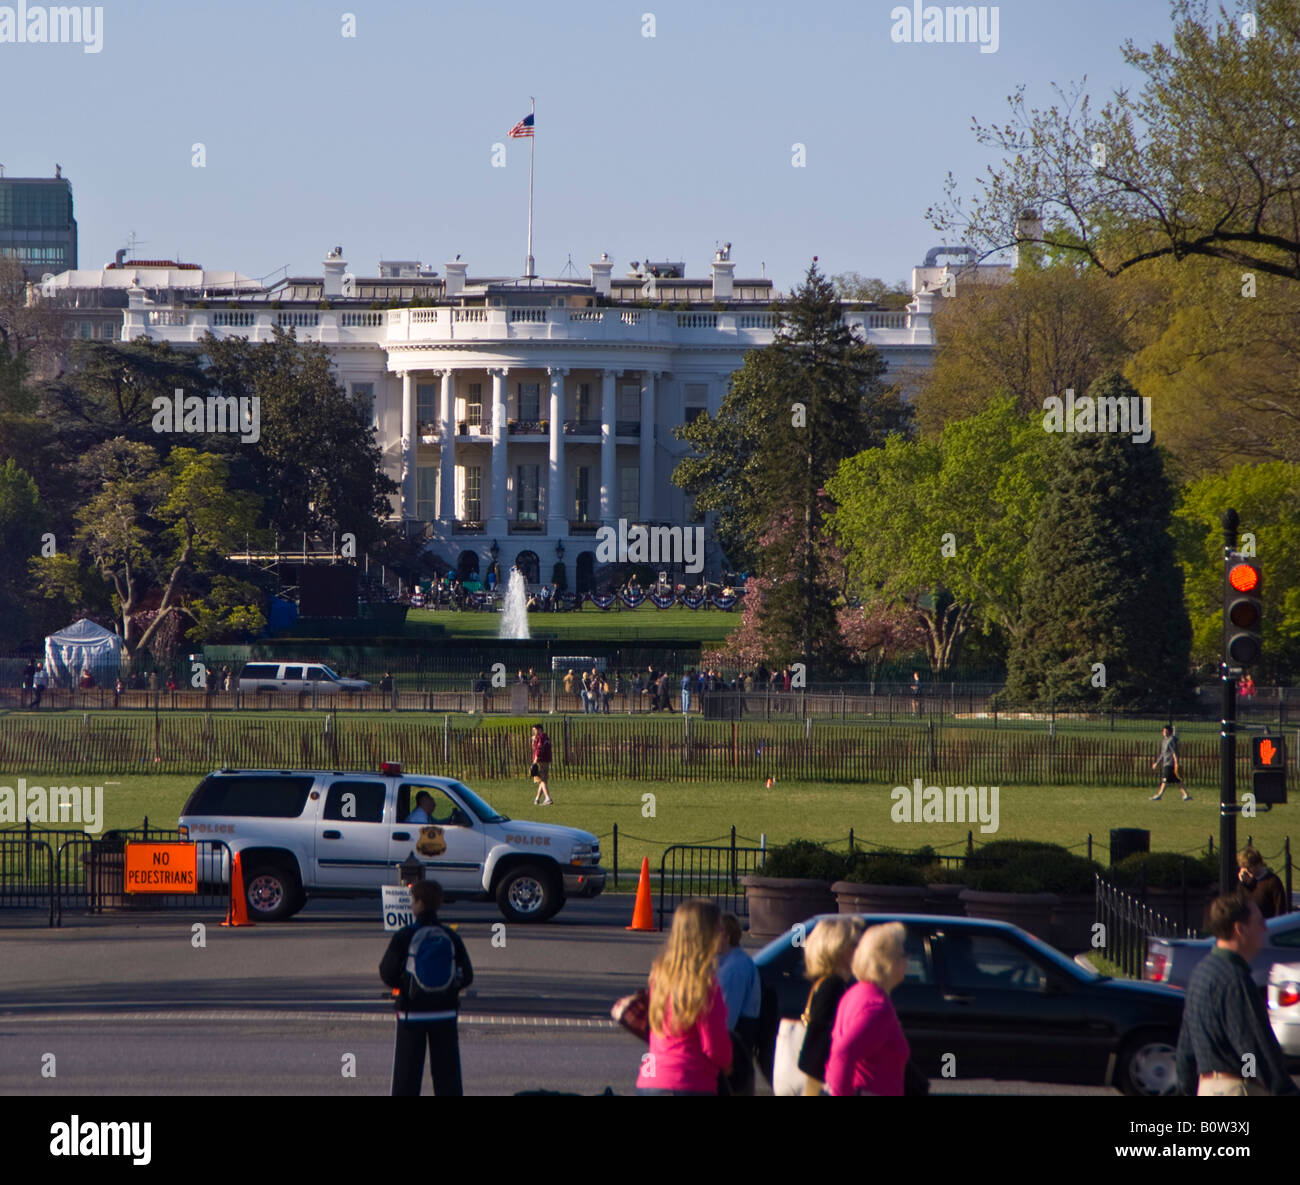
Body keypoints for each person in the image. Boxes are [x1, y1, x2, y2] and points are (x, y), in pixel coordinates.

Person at [1174, 892, 1298, 1096]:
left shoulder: (1201, 973)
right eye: (1259, 922)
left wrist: (1185, 1088)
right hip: (1238, 1087)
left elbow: (1186, 1047)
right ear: (1240, 929)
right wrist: (1283, 1089)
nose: (1265, 928)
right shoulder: (1235, 979)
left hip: (1207, 1087)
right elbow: (1252, 1045)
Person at [379, 879, 473, 1096]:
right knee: (447, 1076)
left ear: (419, 903)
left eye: (413, 900)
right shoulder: (450, 936)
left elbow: (387, 972)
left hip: (413, 1013)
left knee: (407, 1076)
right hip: (445, 1012)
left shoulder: (405, 936)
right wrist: (449, 988)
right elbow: (467, 976)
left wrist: (405, 986)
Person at [636, 899, 733, 1095]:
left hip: (652, 1080)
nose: (722, 935)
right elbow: (714, 1045)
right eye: (718, 929)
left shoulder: (660, 976)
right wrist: (729, 1065)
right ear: (706, 935)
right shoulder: (704, 985)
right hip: (691, 1081)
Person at [825, 922, 911, 1096]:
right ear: (888, 962)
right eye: (903, 954)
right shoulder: (877, 1006)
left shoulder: (856, 993)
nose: (907, 959)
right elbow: (843, 1053)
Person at [797, 916, 864, 1095]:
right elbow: (819, 1037)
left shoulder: (828, 983)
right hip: (823, 1080)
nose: (860, 951)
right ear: (837, 948)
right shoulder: (832, 986)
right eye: (854, 945)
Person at [716, 913, 762, 1094]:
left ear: (725, 936)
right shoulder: (735, 963)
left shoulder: (733, 969)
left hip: (735, 1050)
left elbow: (726, 1020)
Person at [1236, 846, 1287, 919]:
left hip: (1268, 924)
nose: (1246, 870)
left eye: (1249, 867)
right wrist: (1242, 883)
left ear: (1258, 864)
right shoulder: (1244, 881)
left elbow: (1280, 908)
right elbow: (1239, 903)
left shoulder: (1272, 881)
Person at [1150, 724, 1191, 802]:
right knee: (1177, 780)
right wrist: (1157, 763)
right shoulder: (1164, 741)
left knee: (1166, 779)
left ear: (1170, 732)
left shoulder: (1171, 740)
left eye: (1166, 731)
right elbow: (1162, 754)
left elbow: (1174, 752)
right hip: (1166, 762)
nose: (1164, 732)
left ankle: (1159, 795)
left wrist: (1176, 763)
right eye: (1163, 731)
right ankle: (1186, 795)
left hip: (1170, 763)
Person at [531, 723, 553, 806]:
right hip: (546, 761)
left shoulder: (541, 738)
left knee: (541, 780)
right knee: (542, 781)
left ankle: (548, 798)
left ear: (539, 729)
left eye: (535, 730)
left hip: (540, 762)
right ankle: (537, 799)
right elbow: (535, 748)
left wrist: (535, 762)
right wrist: (534, 741)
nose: (534, 732)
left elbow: (538, 750)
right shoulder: (545, 737)